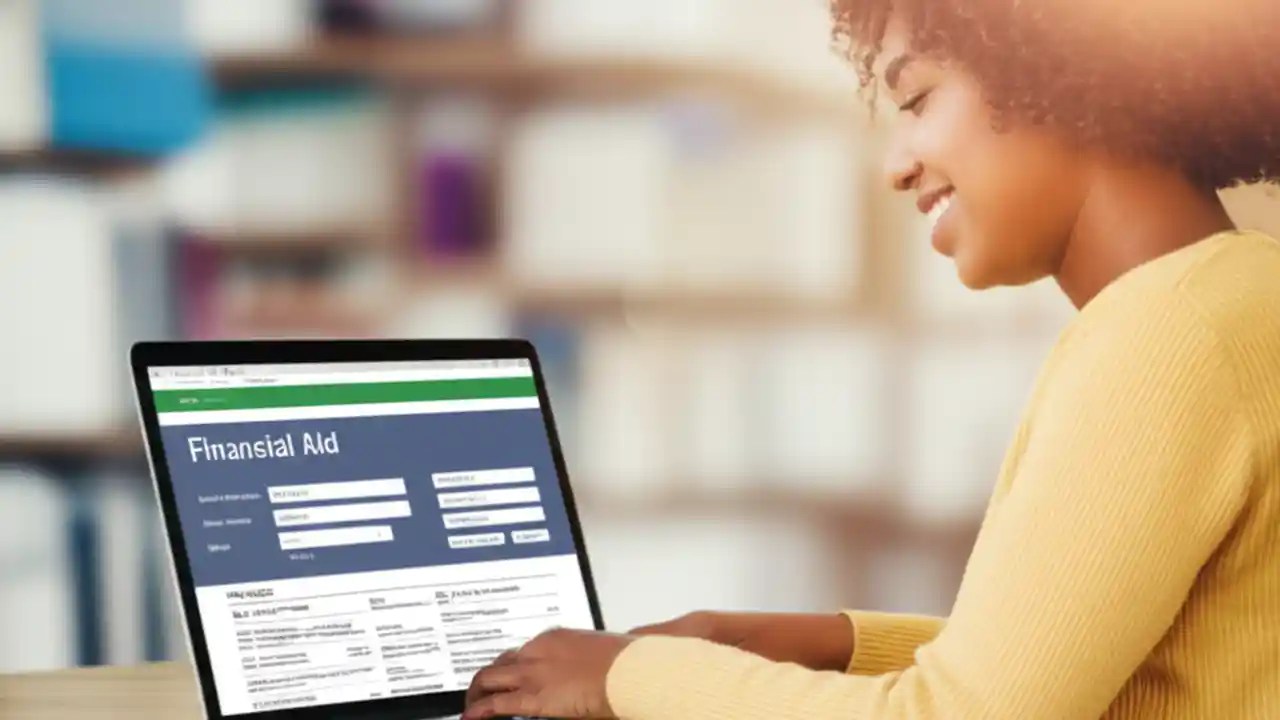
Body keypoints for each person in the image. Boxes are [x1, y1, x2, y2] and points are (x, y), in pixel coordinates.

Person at [463, 0, 1280, 717]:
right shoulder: (1246, 293)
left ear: (1068, 80)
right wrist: (824, 642)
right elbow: (1111, 660)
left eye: (918, 98)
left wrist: (628, 677)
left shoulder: (1161, 336)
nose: (896, 165)